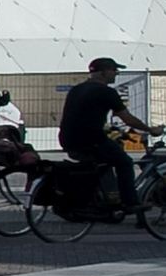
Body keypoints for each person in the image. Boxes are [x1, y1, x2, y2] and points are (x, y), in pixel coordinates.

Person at [58, 57, 152, 216]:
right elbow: (128, 119)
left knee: (101, 165)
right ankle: (130, 202)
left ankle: (106, 199)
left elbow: (82, 115)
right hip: (91, 140)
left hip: (67, 138)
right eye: (114, 70)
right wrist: (150, 129)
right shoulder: (107, 92)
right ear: (103, 72)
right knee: (125, 163)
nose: (116, 73)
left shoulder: (77, 89)